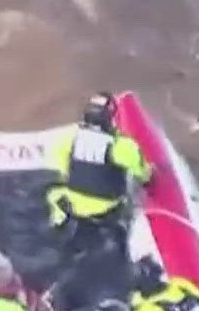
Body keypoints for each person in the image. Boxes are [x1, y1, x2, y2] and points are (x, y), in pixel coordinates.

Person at [45, 92, 153, 259]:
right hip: (109, 208)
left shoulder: (69, 138)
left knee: (54, 194)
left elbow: (61, 167)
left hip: (73, 207)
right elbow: (142, 174)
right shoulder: (121, 146)